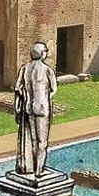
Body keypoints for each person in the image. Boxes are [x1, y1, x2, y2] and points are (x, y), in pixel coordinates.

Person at [12, 41, 58, 176]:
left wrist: (18, 107)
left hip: (28, 107)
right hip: (42, 107)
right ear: (42, 54)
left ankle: (30, 166)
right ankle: (39, 170)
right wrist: (44, 97)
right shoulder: (48, 70)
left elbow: (17, 89)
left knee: (31, 139)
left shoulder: (24, 69)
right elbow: (53, 90)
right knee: (42, 141)